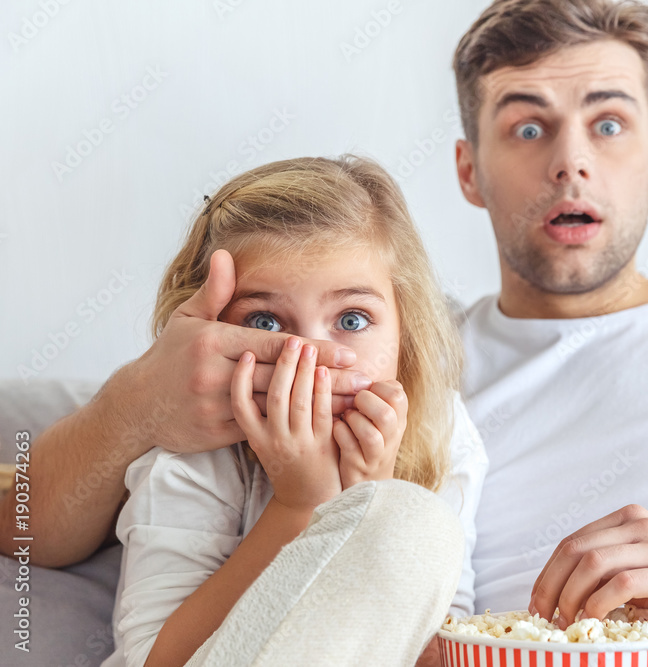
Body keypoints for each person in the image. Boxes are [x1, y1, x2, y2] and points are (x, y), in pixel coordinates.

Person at [3, 1, 648, 665]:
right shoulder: (391, 369)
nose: (571, 163)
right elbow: (23, 520)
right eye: (526, 126)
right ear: (469, 169)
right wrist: (137, 401)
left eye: (606, 123)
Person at [102, 155, 487, 666]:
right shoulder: (195, 455)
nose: (312, 360)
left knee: (412, 522)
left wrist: (370, 504)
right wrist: (304, 504)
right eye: (265, 323)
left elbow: (446, 647)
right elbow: (155, 660)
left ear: (405, 328)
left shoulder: (440, 428)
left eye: (351, 319)